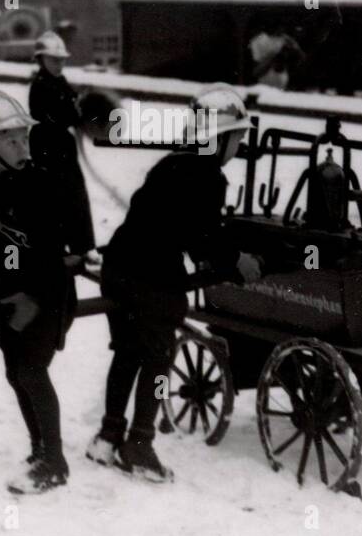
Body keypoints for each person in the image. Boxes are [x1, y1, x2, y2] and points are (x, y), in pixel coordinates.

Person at [86, 85, 262, 483]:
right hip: (152, 277)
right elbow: (200, 236)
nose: (238, 147)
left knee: (128, 352)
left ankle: (108, 436)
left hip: (120, 267)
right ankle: (140, 445)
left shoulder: (171, 164)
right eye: (237, 138)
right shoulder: (208, 176)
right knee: (159, 360)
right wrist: (236, 260)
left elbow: (171, 223)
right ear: (219, 137)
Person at [0, 90, 92, 494]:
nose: (22, 147)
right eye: (11, 140)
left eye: (23, 138)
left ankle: (55, 461)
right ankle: (39, 450)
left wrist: (31, 297)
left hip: (46, 296)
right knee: (16, 373)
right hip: (4, 299)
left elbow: (54, 254)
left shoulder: (40, 183)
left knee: (33, 371)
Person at [28, 31, 95, 251]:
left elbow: (71, 107)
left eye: (61, 61)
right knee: (52, 197)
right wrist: (71, 113)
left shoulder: (61, 81)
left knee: (75, 195)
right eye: (53, 60)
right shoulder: (39, 86)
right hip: (46, 146)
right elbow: (47, 114)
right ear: (41, 59)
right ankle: (55, 246)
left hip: (63, 146)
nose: (59, 65)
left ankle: (81, 245)